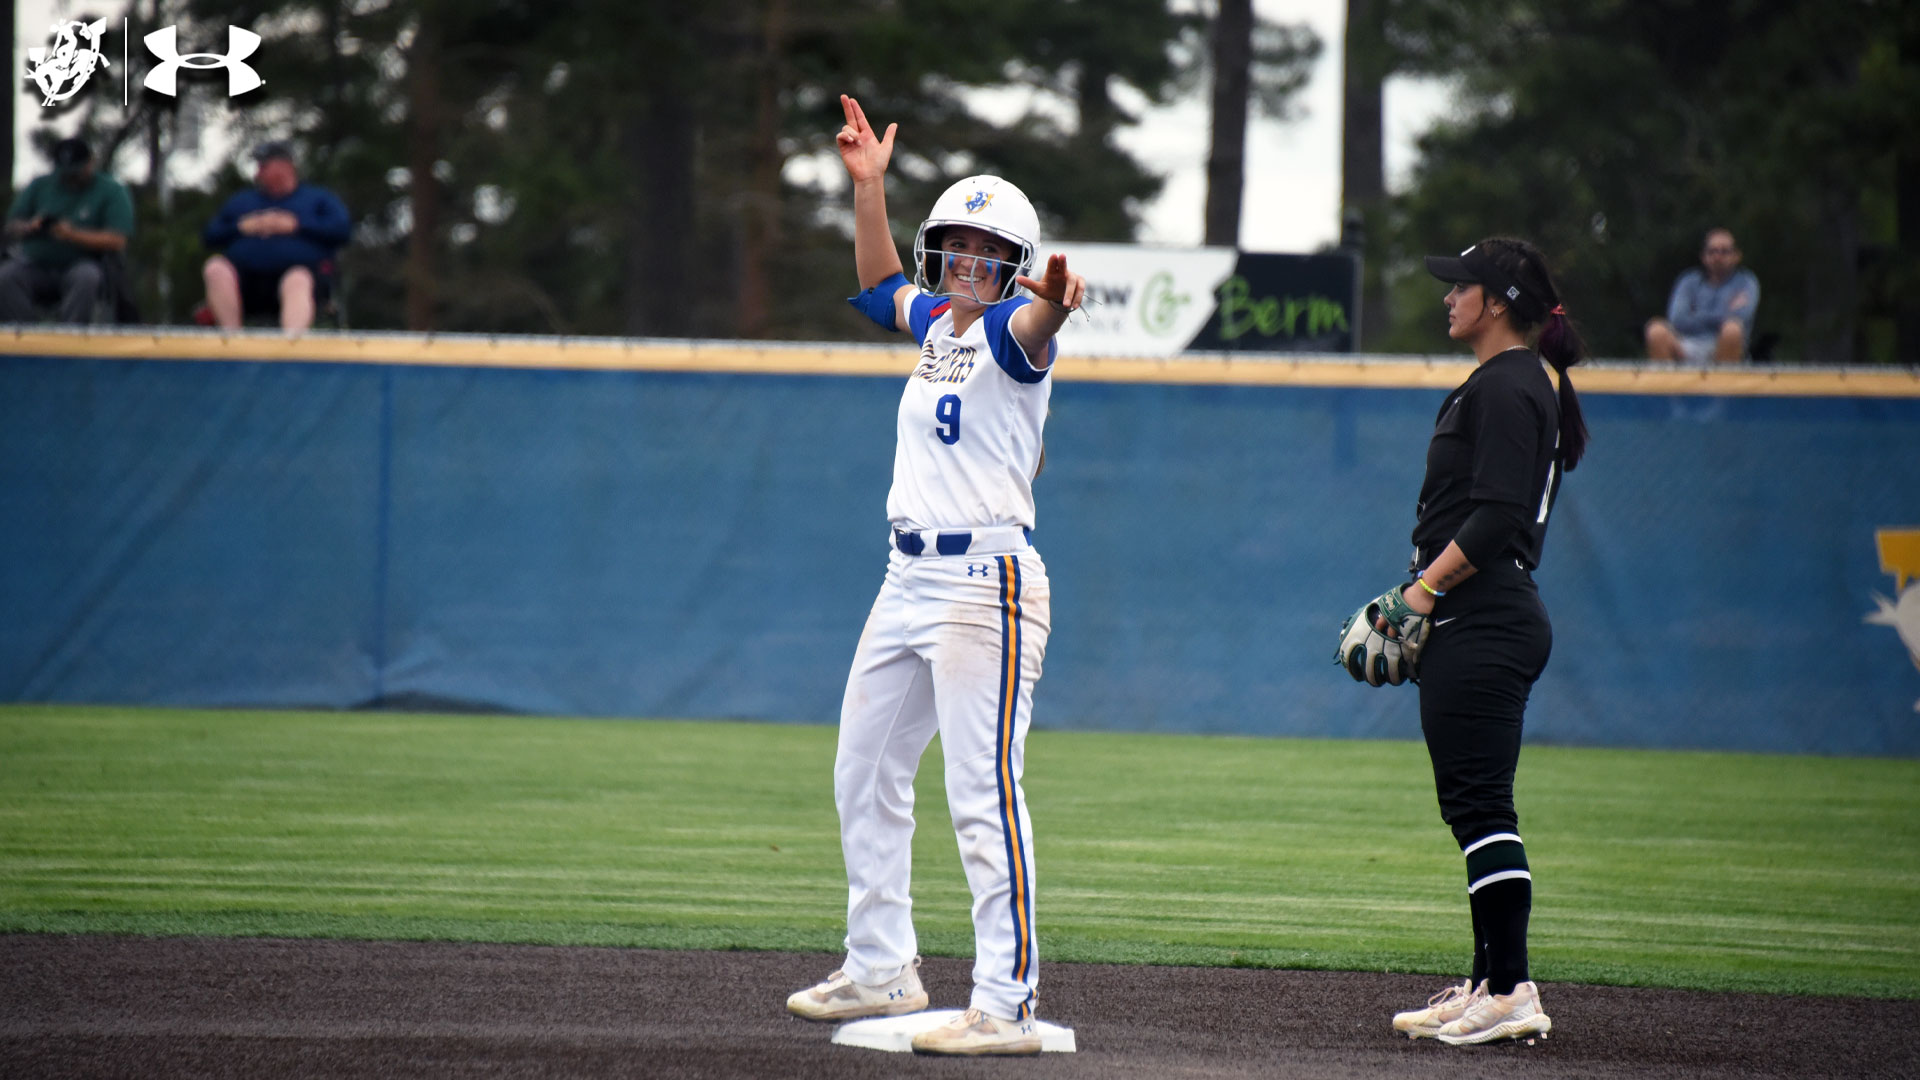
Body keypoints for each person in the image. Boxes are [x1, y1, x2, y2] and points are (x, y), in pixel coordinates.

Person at [784, 94, 1085, 1057]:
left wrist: (1049, 301)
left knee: (981, 793)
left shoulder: (1007, 333)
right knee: (862, 769)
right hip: (904, 577)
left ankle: (1006, 1002)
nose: (963, 261)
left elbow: (1032, 328)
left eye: (983, 250)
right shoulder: (937, 328)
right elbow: (879, 285)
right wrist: (869, 189)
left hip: (981, 586)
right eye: (952, 244)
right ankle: (880, 966)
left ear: (1010, 264)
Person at [1336, 237, 1588, 1045]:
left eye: (1462, 286)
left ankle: (1511, 990)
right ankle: (1489, 979)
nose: (1450, 297)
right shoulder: (1505, 382)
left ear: (1500, 301)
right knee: (1470, 808)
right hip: (1475, 614)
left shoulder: (1512, 384)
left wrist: (1420, 590)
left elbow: (1498, 517)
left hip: (1485, 614)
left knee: (1483, 807)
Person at [200, 141, 350, 332]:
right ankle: (231, 341)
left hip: (300, 281)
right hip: (247, 284)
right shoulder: (242, 201)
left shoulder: (318, 199)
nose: (258, 173)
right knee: (215, 268)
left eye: (264, 166)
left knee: (298, 279)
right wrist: (240, 227)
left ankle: (289, 348)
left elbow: (342, 231)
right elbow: (209, 236)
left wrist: (297, 225)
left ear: (285, 166)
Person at [0, 137, 135, 325]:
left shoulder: (111, 191)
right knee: (6, 276)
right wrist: (29, 226)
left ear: (90, 163)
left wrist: (72, 235)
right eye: (66, 173)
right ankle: (26, 337)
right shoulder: (40, 186)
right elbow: (11, 226)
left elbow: (117, 239)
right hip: (36, 263)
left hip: (81, 264)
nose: (71, 178)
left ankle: (70, 337)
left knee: (86, 278)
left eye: (76, 172)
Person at [1645, 228, 1759, 364]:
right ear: (1703, 256)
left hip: (1723, 347)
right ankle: (1668, 385)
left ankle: (1724, 383)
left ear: (1736, 255)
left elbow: (1741, 318)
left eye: (1724, 251)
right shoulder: (1688, 281)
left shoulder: (1746, 282)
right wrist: (1724, 313)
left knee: (1732, 330)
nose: (1718, 257)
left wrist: (1695, 314)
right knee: (1656, 330)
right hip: (1686, 345)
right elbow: (1677, 319)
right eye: (1712, 251)